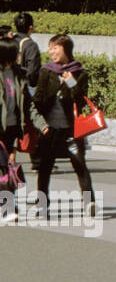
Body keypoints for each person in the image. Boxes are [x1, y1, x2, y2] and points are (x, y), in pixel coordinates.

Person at [29, 35, 96, 218]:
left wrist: (71, 83)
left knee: (80, 164)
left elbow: (80, 99)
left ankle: (90, 201)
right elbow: (38, 99)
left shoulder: (79, 73)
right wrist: (40, 123)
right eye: (50, 49)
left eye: (55, 48)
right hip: (50, 130)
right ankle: (42, 205)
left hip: (70, 130)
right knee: (44, 168)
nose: (52, 52)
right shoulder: (46, 72)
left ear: (66, 49)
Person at [0, 39, 31, 194]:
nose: (20, 54)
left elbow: (27, 104)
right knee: (2, 166)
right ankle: (8, 208)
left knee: (9, 165)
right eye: (17, 51)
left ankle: (8, 206)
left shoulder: (19, 74)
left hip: (12, 126)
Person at [13, 13, 41, 89]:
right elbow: (32, 71)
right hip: (22, 87)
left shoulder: (9, 41)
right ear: (31, 27)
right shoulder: (31, 45)